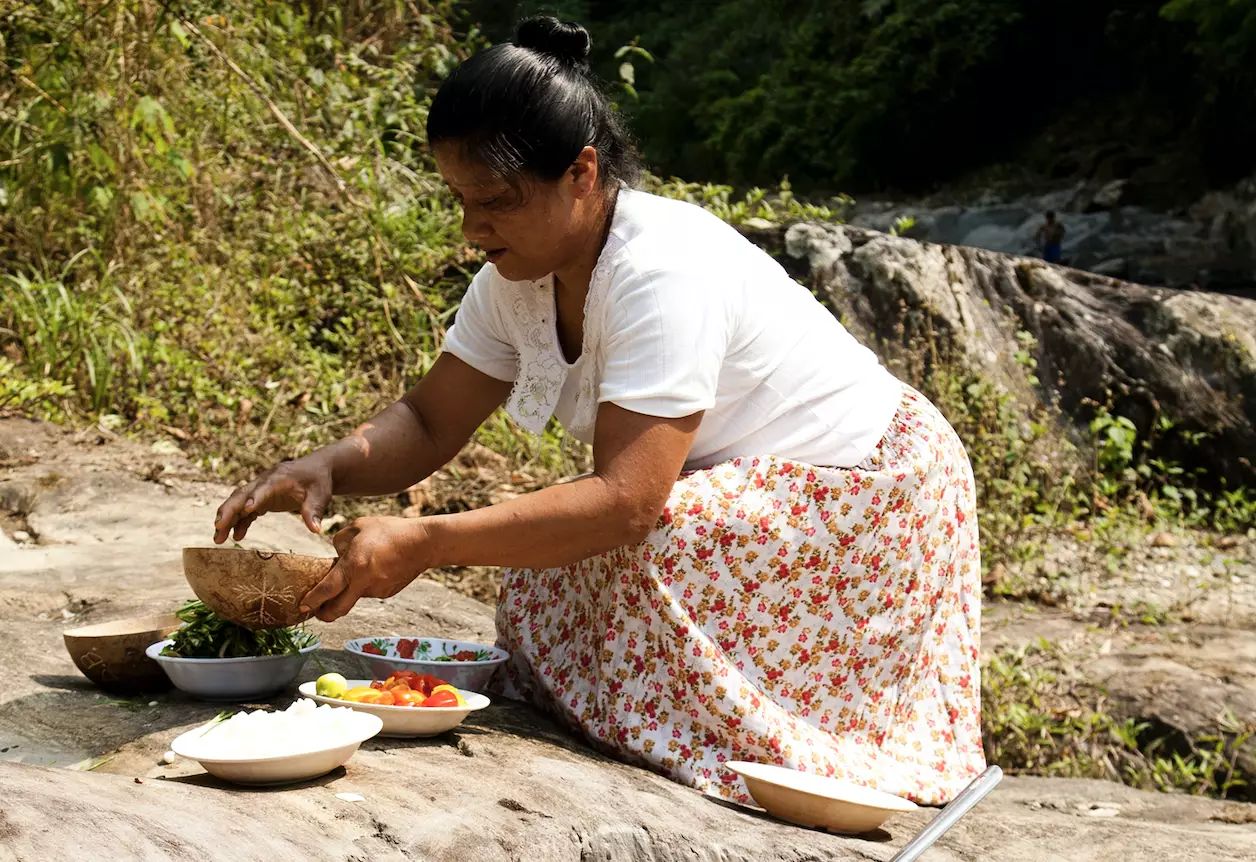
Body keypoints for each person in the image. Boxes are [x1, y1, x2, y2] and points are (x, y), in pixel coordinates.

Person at [212, 16, 986, 807]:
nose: (473, 229)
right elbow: (433, 420)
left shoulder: (661, 271)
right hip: (744, 486)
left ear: (581, 173)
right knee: (548, 557)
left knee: (626, 541)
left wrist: (428, 541)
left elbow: (626, 505)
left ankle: (765, 736)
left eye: (498, 202)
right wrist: (328, 467)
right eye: (459, 201)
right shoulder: (514, 277)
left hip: (871, 492)